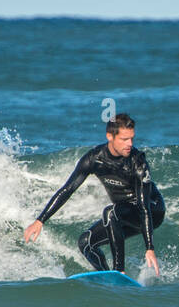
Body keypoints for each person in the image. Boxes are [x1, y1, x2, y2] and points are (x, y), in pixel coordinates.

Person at [23, 114, 165, 275]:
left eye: (131, 138)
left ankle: (119, 271)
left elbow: (143, 207)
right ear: (110, 136)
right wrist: (40, 220)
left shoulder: (137, 162)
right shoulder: (94, 159)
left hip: (152, 211)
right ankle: (107, 276)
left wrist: (149, 248)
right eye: (124, 139)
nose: (130, 144)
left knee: (110, 213)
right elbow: (67, 189)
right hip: (120, 213)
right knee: (85, 243)